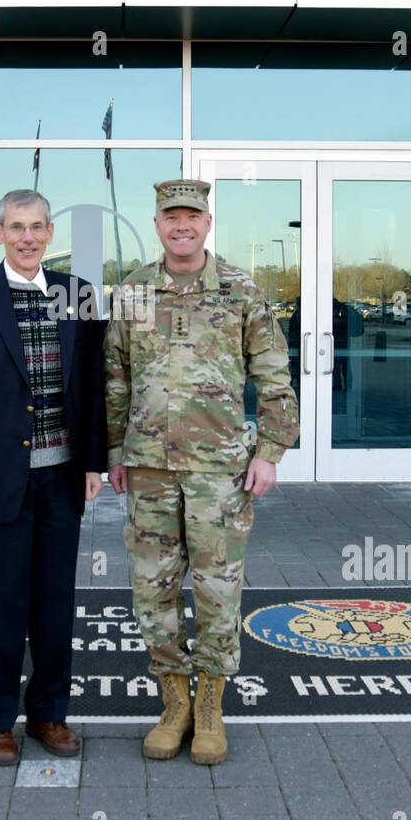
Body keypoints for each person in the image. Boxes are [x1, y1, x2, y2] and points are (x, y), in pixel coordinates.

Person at [104, 179, 299, 765]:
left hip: (221, 474)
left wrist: (269, 451)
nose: (181, 225)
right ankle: (174, 703)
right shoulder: (134, 290)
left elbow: (273, 377)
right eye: (171, 217)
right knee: (152, 592)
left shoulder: (241, 289)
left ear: (207, 223)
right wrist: (113, 450)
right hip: (149, 469)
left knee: (217, 593)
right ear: (158, 224)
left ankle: (211, 704)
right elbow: (114, 376)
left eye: (192, 215)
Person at [0, 189, 107, 766]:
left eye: (37, 227)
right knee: (1, 604)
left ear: (51, 233)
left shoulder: (76, 296)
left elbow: (93, 388)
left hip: (61, 477)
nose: (27, 237)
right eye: (16, 227)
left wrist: (94, 462)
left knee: (56, 603)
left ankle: (50, 714)